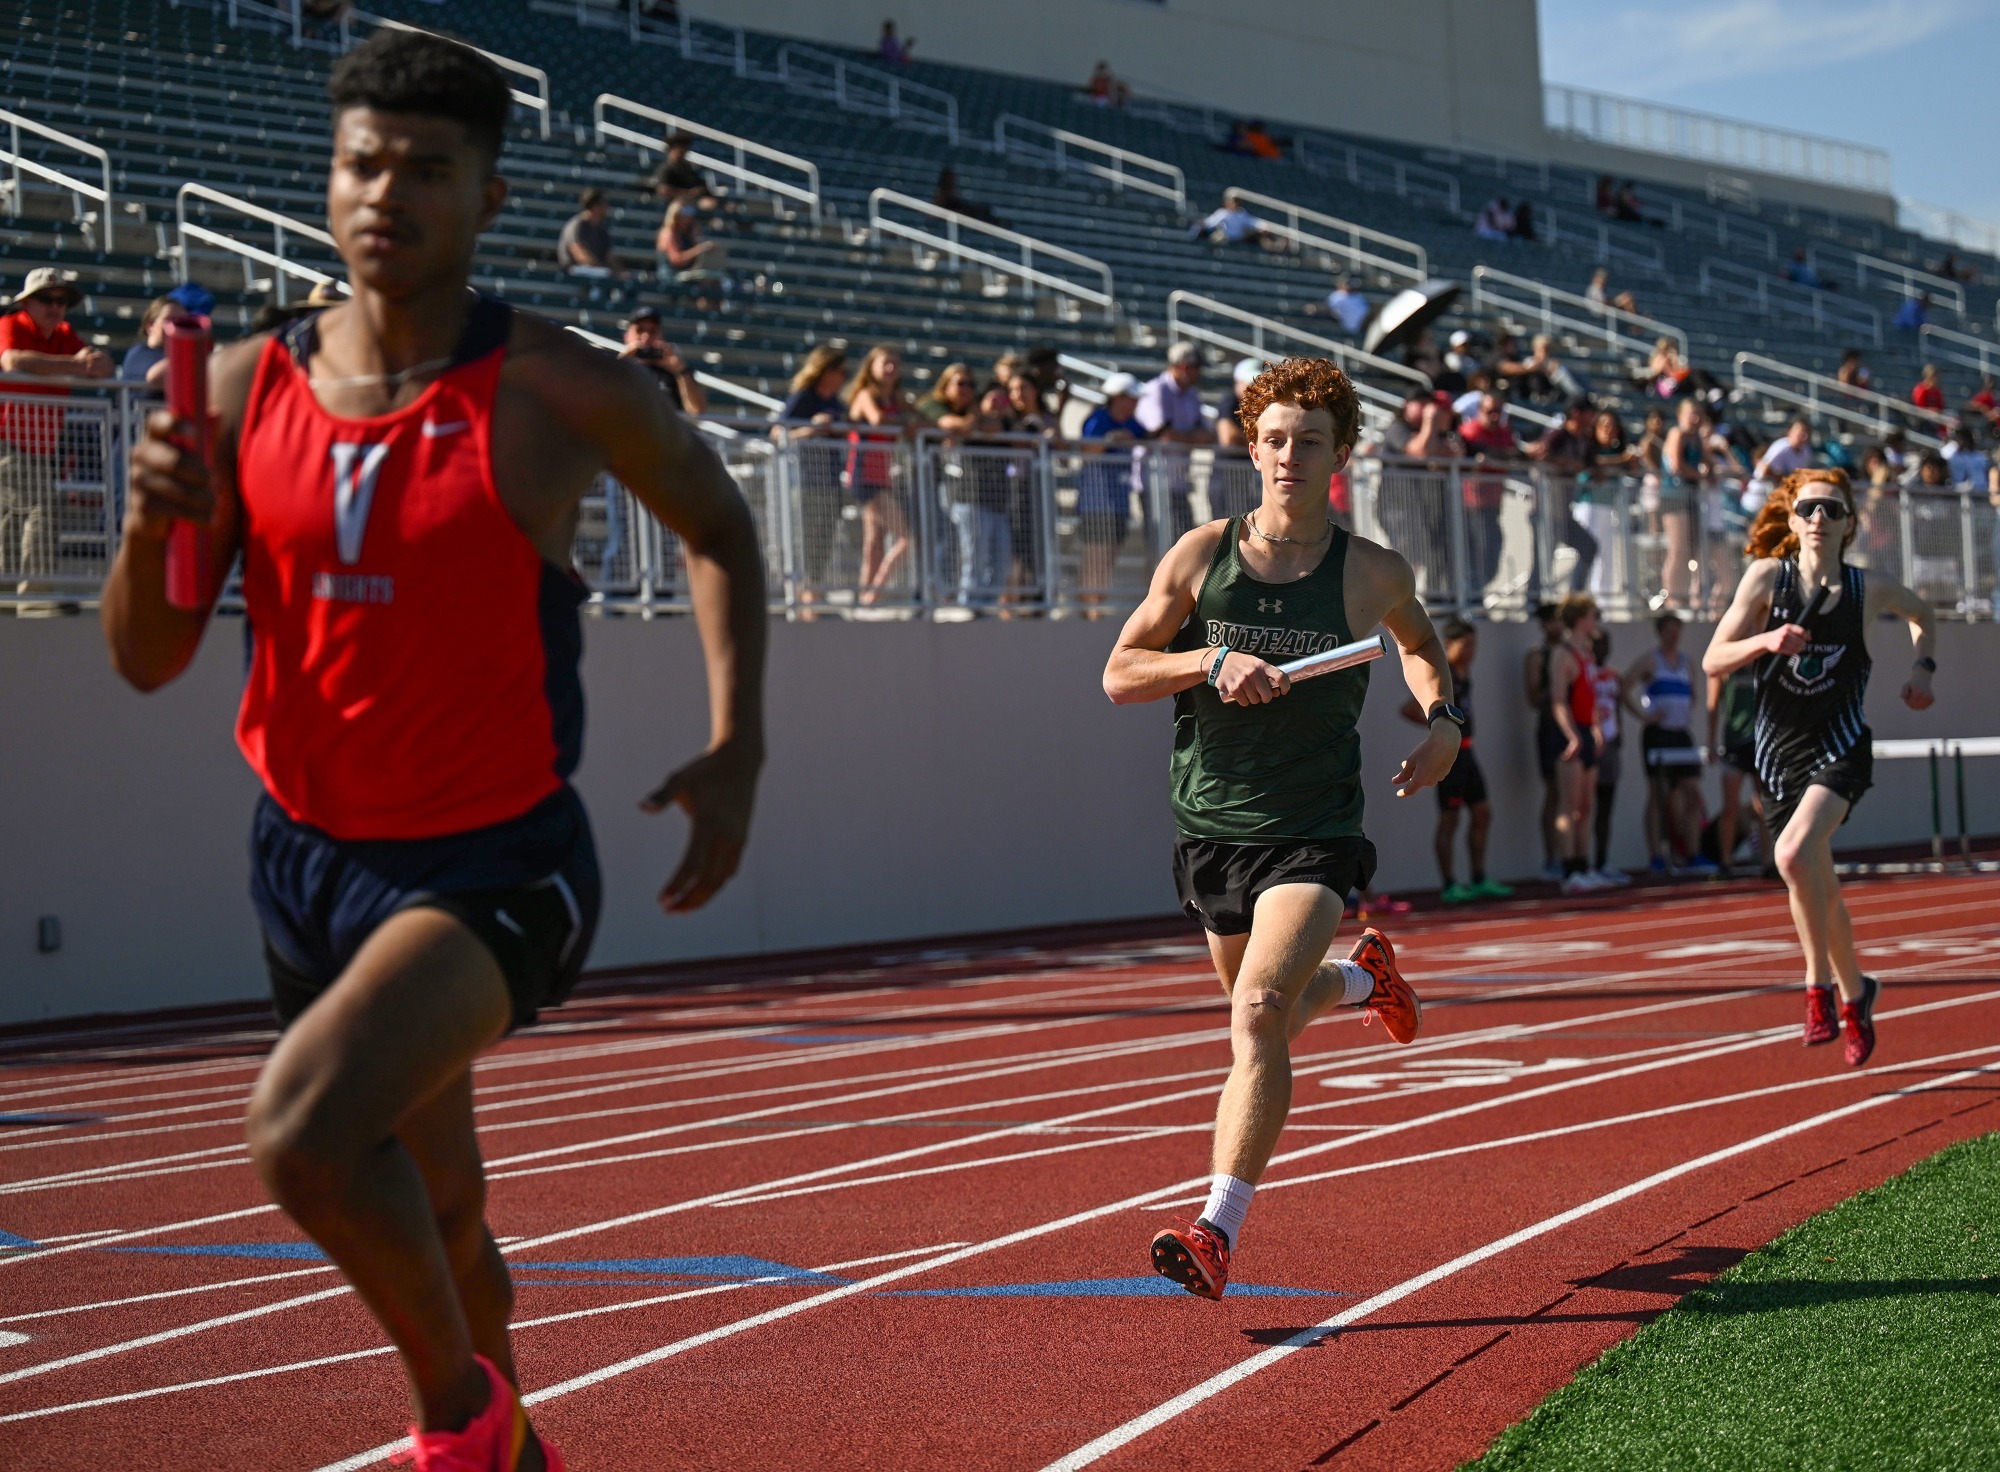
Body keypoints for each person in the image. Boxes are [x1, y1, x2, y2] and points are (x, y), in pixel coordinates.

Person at [103, 31, 768, 1468]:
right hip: (304, 859)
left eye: (426, 170)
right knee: (448, 1214)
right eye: (361, 164)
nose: (384, 195)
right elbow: (149, 660)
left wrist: (738, 745)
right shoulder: (233, 387)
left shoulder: (553, 388)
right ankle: (514, 1444)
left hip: (493, 864)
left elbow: (718, 525)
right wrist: (154, 524)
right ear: (326, 181)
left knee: (305, 1139)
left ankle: (461, 1424)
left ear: (488, 199)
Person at [1105, 356, 1451, 1299]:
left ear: (1342, 453)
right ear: (1250, 448)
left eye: (1310, 441)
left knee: (1257, 1012)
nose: (1290, 456)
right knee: (1265, 1016)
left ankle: (1216, 1228)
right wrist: (1208, 662)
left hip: (1315, 827)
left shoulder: (1371, 570)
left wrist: (1445, 724)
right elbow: (1122, 670)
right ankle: (1361, 977)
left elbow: (1421, 648)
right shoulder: (1199, 555)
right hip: (1212, 825)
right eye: (1274, 441)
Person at [1702, 468, 1937, 1066]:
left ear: (1849, 525)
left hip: (1841, 746)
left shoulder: (1868, 589)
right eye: (1808, 508)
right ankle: (1859, 992)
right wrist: (1766, 641)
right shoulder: (1765, 578)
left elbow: (1922, 615)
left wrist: (1921, 669)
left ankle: (1817, 989)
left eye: (1832, 511)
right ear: (1791, 517)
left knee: (1789, 856)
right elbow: (1713, 659)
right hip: (1778, 754)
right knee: (1819, 884)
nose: (1818, 519)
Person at [1, 266, 114, 596]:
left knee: (10, 519)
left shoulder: (64, 334)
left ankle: (7, 596)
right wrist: (75, 366)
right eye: (46, 299)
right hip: (7, 440)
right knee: (44, 507)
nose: (55, 307)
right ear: (27, 303)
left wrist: (80, 364)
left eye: (61, 301)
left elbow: (104, 367)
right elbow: (13, 361)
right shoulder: (10, 324)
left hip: (40, 444)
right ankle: (36, 596)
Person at [1400, 616, 1509, 903]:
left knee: (1482, 812)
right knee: (1450, 818)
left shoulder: (1463, 673)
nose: (1472, 650)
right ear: (1448, 645)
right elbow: (1410, 708)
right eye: (1466, 644)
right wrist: (1440, 733)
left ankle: (1478, 878)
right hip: (1454, 756)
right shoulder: (1443, 675)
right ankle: (1449, 884)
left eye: (1475, 644)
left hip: (1468, 754)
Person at [601, 308, 707, 592]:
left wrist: (679, 369)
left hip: (665, 467)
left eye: (653, 331)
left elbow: (696, 410)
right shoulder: (615, 369)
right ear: (628, 335)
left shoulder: (672, 372)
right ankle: (616, 608)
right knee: (623, 539)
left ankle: (663, 604)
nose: (647, 338)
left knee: (664, 539)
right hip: (624, 465)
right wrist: (625, 360)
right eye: (640, 331)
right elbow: (598, 403)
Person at [1625, 613, 1710, 874]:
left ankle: (1693, 852)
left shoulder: (1687, 663)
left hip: (1681, 734)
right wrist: (1643, 715)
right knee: (1658, 794)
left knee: (1692, 792)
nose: (1674, 635)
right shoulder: (1650, 660)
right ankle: (1657, 856)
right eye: (1669, 630)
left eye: (1678, 630)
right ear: (1660, 632)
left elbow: (1693, 694)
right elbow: (1624, 686)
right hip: (1658, 734)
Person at [841, 343, 918, 604]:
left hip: (882, 475)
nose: (890, 368)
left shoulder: (896, 400)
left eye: (894, 363)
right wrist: (904, 425)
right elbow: (877, 420)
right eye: (885, 363)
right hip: (863, 473)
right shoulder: (866, 395)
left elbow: (920, 419)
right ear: (871, 367)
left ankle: (866, 594)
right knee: (906, 537)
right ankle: (873, 594)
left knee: (874, 540)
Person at [776, 344, 848, 613]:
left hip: (831, 480)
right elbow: (777, 433)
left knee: (825, 538)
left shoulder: (837, 404)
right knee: (806, 538)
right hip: (805, 481)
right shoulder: (803, 398)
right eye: (839, 370)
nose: (843, 376)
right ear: (825, 371)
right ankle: (802, 595)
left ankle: (814, 590)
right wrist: (812, 427)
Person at [1546, 594, 1606, 894]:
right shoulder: (1563, 654)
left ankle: (1584, 865)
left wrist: (1595, 728)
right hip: (1569, 733)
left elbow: (1591, 697)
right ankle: (1569, 870)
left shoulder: (1588, 653)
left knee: (1586, 805)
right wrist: (1572, 735)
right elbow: (1558, 701)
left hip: (1585, 729)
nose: (1597, 620)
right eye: (1593, 615)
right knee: (1569, 806)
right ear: (1581, 618)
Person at [1075, 371, 1147, 616]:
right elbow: (1086, 450)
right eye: (1131, 398)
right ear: (1117, 398)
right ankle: (1089, 609)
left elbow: (1150, 437)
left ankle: (1094, 604)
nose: (1136, 403)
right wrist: (1109, 439)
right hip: (1095, 503)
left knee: (1109, 556)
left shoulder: (1131, 424)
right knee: (1096, 556)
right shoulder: (1098, 419)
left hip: (1118, 503)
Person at [1136, 342, 1213, 540]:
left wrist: (1182, 437)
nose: (1199, 374)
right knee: (1158, 543)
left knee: (1184, 540)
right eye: (1197, 369)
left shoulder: (1192, 395)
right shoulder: (1156, 390)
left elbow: (1207, 435)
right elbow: (1162, 433)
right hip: (1153, 482)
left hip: (1178, 483)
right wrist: (1191, 438)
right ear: (1186, 367)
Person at [1707, 662, 1767, 877]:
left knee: (1763, 804)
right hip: (1734, 741)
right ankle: (1726, 861)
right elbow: (1712, 704)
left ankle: (1768, 862)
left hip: (1760, 741)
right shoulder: (1724, 665)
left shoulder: (1763, 659)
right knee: (1730, 805)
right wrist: (1711, 741)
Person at [1522, 600, 1565, 880]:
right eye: (1556, 620)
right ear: (1545, 624)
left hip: (1573, 728)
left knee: (1575, 798)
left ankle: (1573, 857)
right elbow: (1534, 698)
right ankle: (1552, 859)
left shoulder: (1573, 651)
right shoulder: (1538, 655)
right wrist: (1558, 686)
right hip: (1551, 731)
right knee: (1555, 793)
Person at [1590, 628, 1631, 885]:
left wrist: (1620, 736)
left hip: (1610, 745)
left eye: (1605, 643)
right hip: (1590, 745)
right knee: (1584, 808)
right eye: (1597, 643)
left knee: (1605, 808)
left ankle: (1601, 861)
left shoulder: (1614, 676)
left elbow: (1618, 706)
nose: (1601, 648)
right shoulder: (1583, 672)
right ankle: (1579, 863)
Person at [647, 133, 718, 214]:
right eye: (680, 150)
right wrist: (689, 193)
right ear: (671, 150)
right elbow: (663, 190)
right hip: (676, 206)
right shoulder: (666, 168)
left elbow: (700, 186)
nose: (683, 153)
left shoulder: (688, 168)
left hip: (694, 204)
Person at [120, 296, 179, 388]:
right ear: (150, 326)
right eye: (169, 320)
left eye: (182, 321)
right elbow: (156, 376)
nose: (176, 326)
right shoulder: (138, 354)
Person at [556, 187, 619, 272]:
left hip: (596, 273)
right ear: (595, 206)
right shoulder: (576, 225)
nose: (607, 207)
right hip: (574, 274)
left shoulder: (601, 230)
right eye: (604, 204)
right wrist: (598, 267)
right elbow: (578, 252)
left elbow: (608, 257)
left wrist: (620, 271)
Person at [1189, 191, 1276, 249]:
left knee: (1260, 235)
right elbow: (1210, 222)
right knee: (1217, 237)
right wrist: (1202, 224)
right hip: (1227, 236)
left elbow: (1253, 222)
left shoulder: (1242, 213)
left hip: (1240, 237)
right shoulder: (1223, 213)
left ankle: (1276, 247)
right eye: (1233, 202)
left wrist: (1263, 226)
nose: (1234, 204)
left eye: (1236, 202)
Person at [1753, 417, 1814, 487]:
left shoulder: (1806, 451)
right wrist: (1786, 478)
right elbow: (1764, 470)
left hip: (1781, 490)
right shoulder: (1782, 447)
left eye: (1807, 432)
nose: (1804, 436)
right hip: (1760, 490)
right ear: (1790, 432)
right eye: (1801, 432)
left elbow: (1800, 474)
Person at [932, 166, 997, 226]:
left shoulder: (952, 190)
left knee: (983, 210)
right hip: (957, 215)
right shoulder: (941, 193)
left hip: (965, 212)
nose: (953, 179)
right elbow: (940, 210)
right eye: (950, 177)